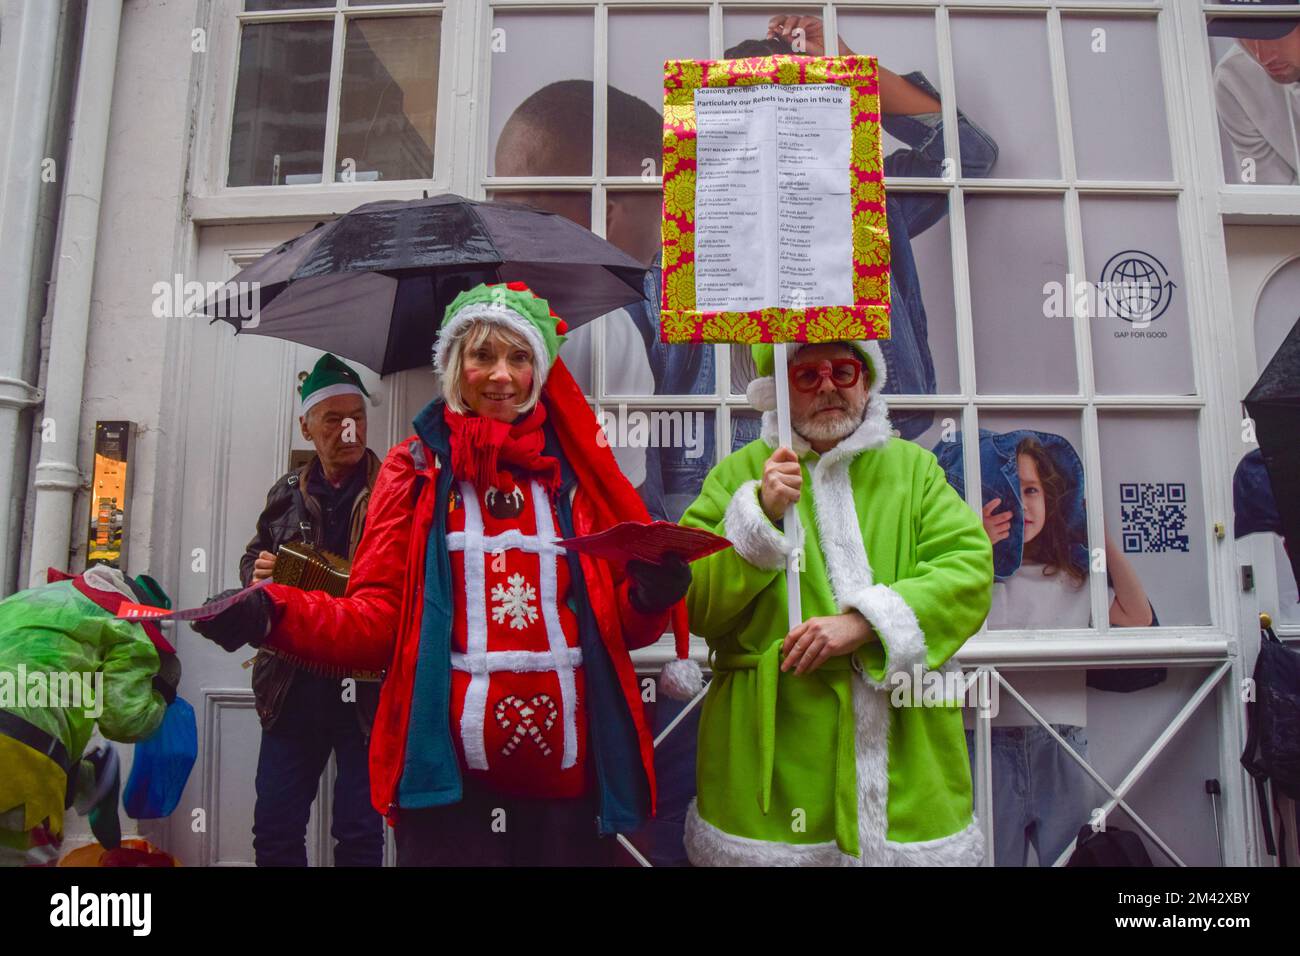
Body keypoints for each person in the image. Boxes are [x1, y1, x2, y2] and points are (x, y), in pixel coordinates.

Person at [196, 282, 693, 866]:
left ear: (539, 369)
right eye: (482, 355)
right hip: (452, 797)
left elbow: (619, 632)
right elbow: (377, 622)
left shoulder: (574, 475)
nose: (501, 375)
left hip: (569, 794)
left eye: (519, 356)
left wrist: (649, 598)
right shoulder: (414, 472)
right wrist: (273, 612)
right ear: (456, 368)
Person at [678, 339, 993, 865]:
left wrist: (867, 623)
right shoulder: (737, 476)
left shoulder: (916, 471)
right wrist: (759, 516)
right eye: (807, 376)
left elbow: (968, 572)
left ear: (866, 381)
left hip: (907, 758)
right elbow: (695, 603)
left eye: (844, 371)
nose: (828, 386)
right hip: (775, 762)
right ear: (778, 391)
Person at [935, 428, 1153, 866]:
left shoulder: (1072, 575)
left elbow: (1137, 618)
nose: (1023, 503)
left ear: (1052, 498)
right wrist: (974, 547)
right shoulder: (972, 575)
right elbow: (939, 622)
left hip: (1063, 741)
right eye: (1011, 491)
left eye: (1033, 489)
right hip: (983, 742)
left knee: (1077, 858)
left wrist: (1101, 538)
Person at [239, 352, 385, 867]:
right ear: (306, 425)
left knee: (360, 835)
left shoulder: (396, 490)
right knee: (275, 834)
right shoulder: (284, 494)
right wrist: (256, 573)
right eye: (332, 418)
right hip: (292, 687)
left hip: (368, 692)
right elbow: (251, 560)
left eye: (358, 417)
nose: (348, 429)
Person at [0, 565, 179, 866]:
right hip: (19, 760)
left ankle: (83, 777)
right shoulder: (125, 625)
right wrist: (160, 695)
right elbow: (125, 719)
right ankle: (84, 779)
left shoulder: (26, 600)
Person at [1210, 3, 1300, 185]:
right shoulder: (1234, 78)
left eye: (1275, 33)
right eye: (1245, 33)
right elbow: (1267, 197)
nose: (1263, 56)